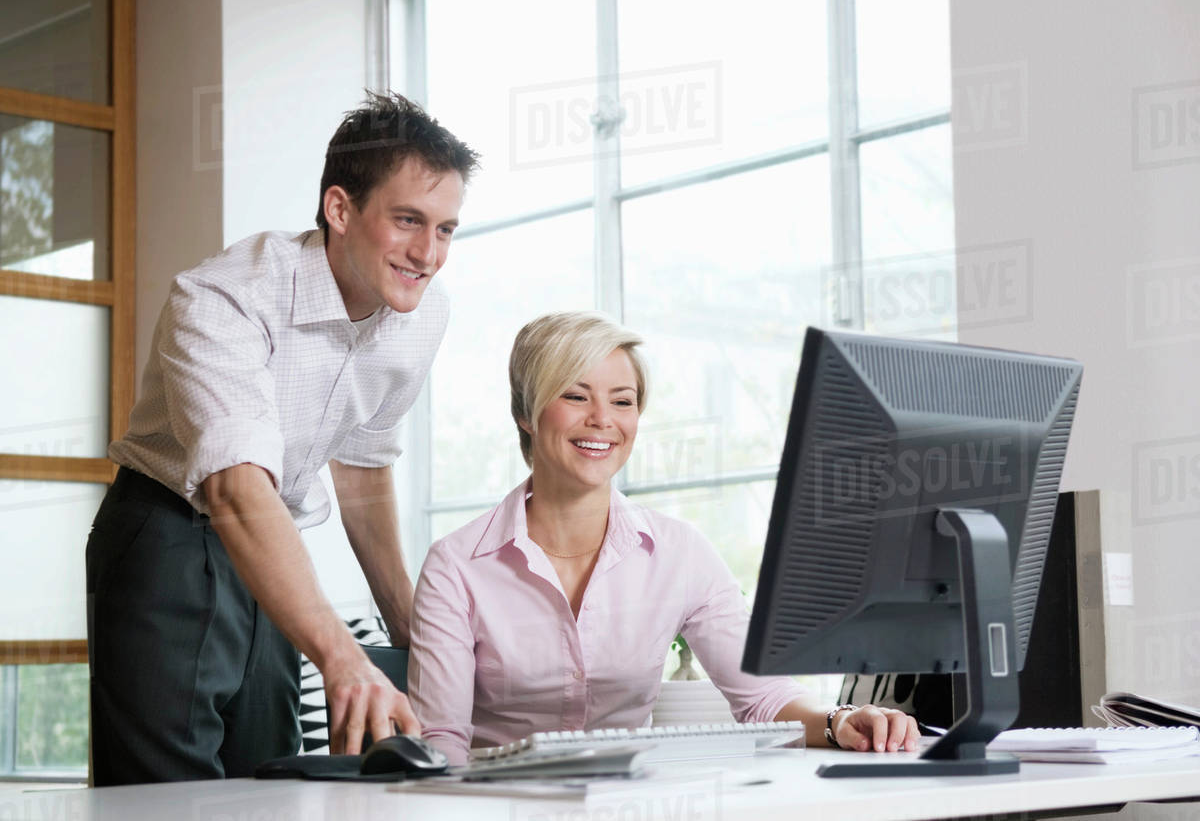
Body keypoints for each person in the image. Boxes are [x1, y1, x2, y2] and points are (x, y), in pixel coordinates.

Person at [86, 93, 479, 785]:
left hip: (271, 540)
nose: (429, 253)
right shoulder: (223, 299)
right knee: (169, 794)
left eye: (446, 229)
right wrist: (342, 657)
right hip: (169, 530)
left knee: (267, 773)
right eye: (409, 221)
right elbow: (235, 492)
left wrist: (413, 638)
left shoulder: (422, 315)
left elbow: (361, 468)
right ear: (339, 209)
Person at [408, 312, 919, 766]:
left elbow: (762, 699)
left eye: (622, 401)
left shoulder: (679, 552)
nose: (602, 420)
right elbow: (442, 742)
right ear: (526, 411)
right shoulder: (457, 566)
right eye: (575, 395)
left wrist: (839, 721)